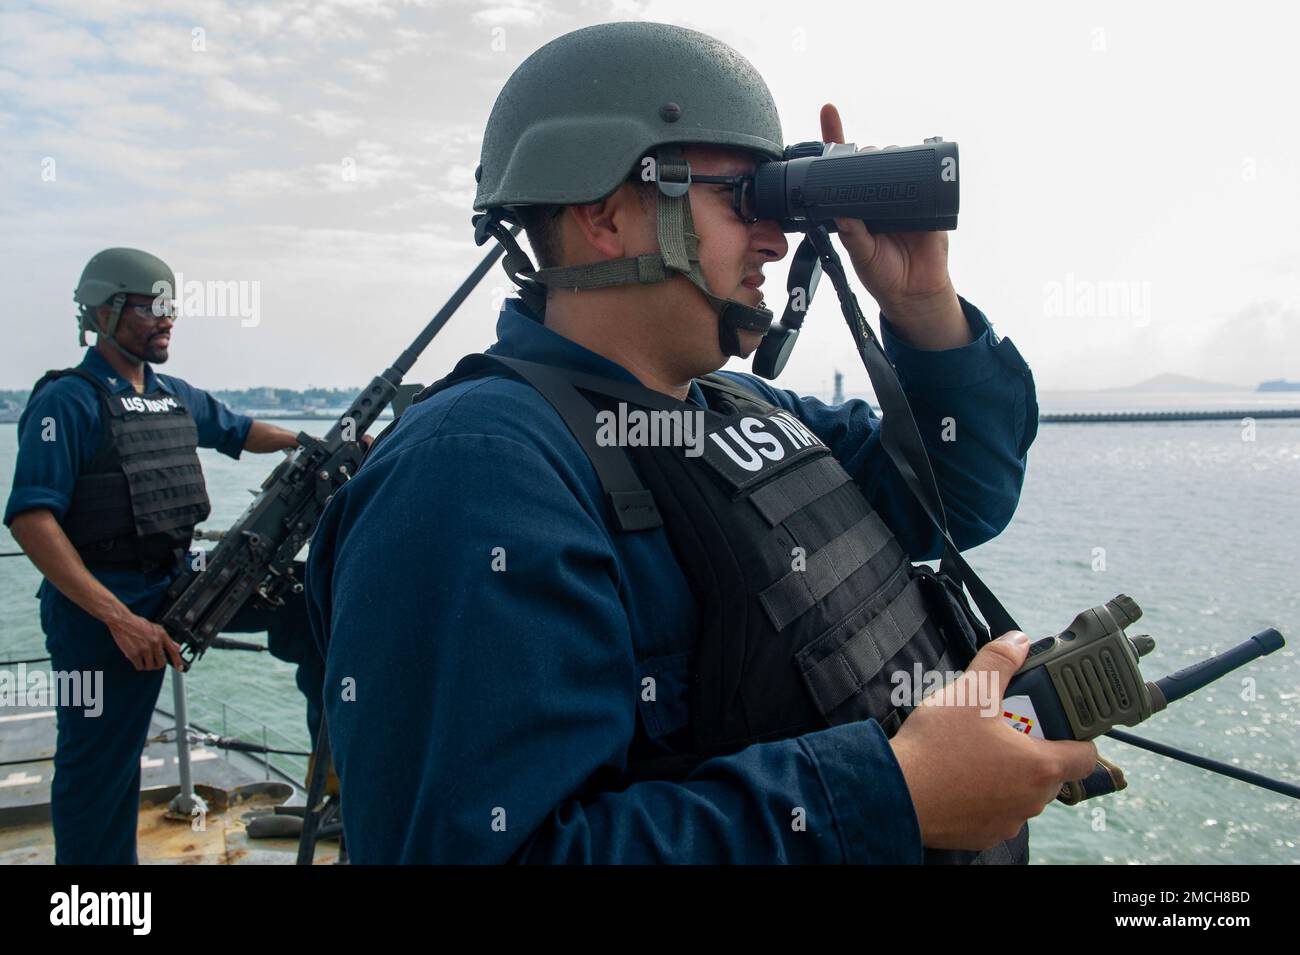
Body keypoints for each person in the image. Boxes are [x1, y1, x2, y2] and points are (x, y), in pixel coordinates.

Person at [305, 21, 1098, 863]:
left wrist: (920, 299)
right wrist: (894, 794)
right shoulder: (474, 474)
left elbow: (960, 496)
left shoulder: (737, 406)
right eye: (741, 198)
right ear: (606, 215)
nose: (777, 237)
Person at [4, 247, 326, 864]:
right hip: (103, 606)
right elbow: (31, 520)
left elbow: (241, 431)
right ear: (103, 312)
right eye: (150, 306)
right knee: (99, 768)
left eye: (171, 307)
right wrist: (120, 620)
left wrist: (314, 442)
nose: (166, 318)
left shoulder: (173, 394)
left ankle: (333, 791)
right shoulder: (66, 403)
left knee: (314, 605)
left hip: (180, 578)